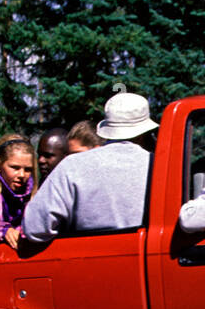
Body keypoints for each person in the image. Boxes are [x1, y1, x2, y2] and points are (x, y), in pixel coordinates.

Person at [23, 93, 155, 240]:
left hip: (87, 256)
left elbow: (35, 226)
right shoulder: (158, 166)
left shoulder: (72, 165)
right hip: (149, 253)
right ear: (144, 132)